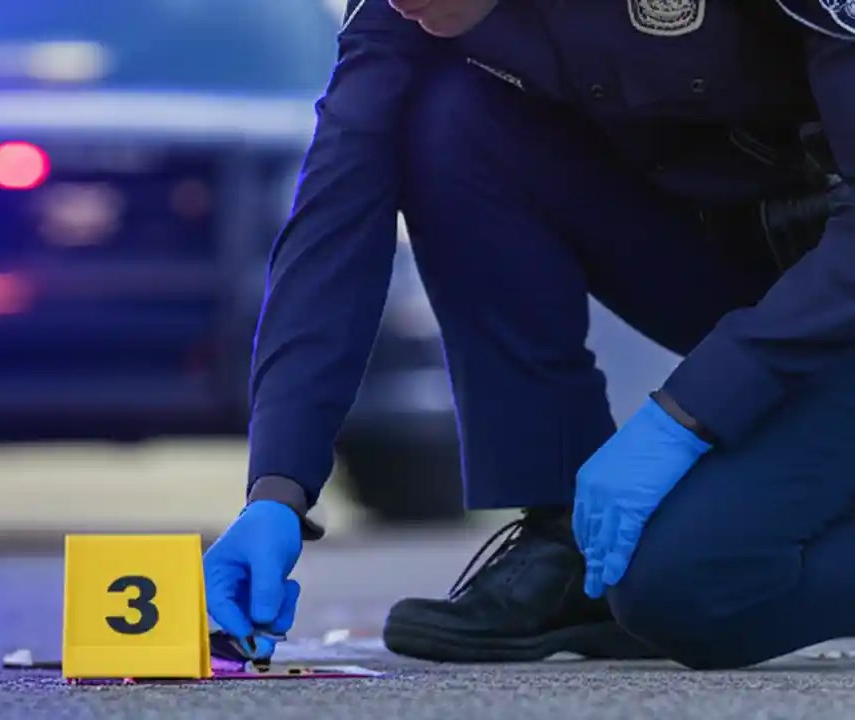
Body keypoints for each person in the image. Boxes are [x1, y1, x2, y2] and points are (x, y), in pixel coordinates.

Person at [202, 0, 855, 670]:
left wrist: (689, 415)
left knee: (687, 586)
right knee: (448, 120)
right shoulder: (407, 6)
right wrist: (277, 491)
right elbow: (336, 208)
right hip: (773, 284)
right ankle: (564, 548)